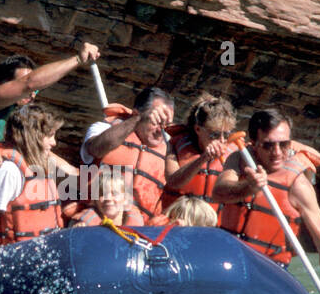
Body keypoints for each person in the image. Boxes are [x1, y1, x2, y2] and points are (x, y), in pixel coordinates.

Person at [212, 109, 320, 294]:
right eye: (268, 145)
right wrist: (249, 187)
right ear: (253, 143)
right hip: (229, 264)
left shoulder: (298, 185)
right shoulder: (239, 159)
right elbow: (219, 192)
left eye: (284, 144)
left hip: (270, 273)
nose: (277, 152)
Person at [0, 104, 67, 252]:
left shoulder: (39, 167)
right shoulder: (8, 172)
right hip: (12, 256)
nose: (54, 142)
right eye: (50, 135)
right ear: (32, 136)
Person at [80, 86, 177, 219]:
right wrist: (139, 119)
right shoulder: (102, 129)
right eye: (156, 122)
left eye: (166, 124)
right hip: (96, 223)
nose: (161, 130)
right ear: (136, 114)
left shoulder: (172, 151)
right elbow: (96, 149)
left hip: (138, 231)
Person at [162, 94, 235, 216]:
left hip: (214, 225)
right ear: (198, 129)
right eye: (214, 135)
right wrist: (203, 159)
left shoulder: (235, 154)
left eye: (226, 135)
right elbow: (173, 182)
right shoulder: (175, 144)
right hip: (179, 218)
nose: (222, 140)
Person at [67, 169, 146, 227]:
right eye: (102, 194)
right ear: (95, 201)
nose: (108, 198)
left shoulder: (138, 224)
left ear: (126, 199)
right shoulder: (83, 224)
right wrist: (76, 233)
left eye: (115, 193)